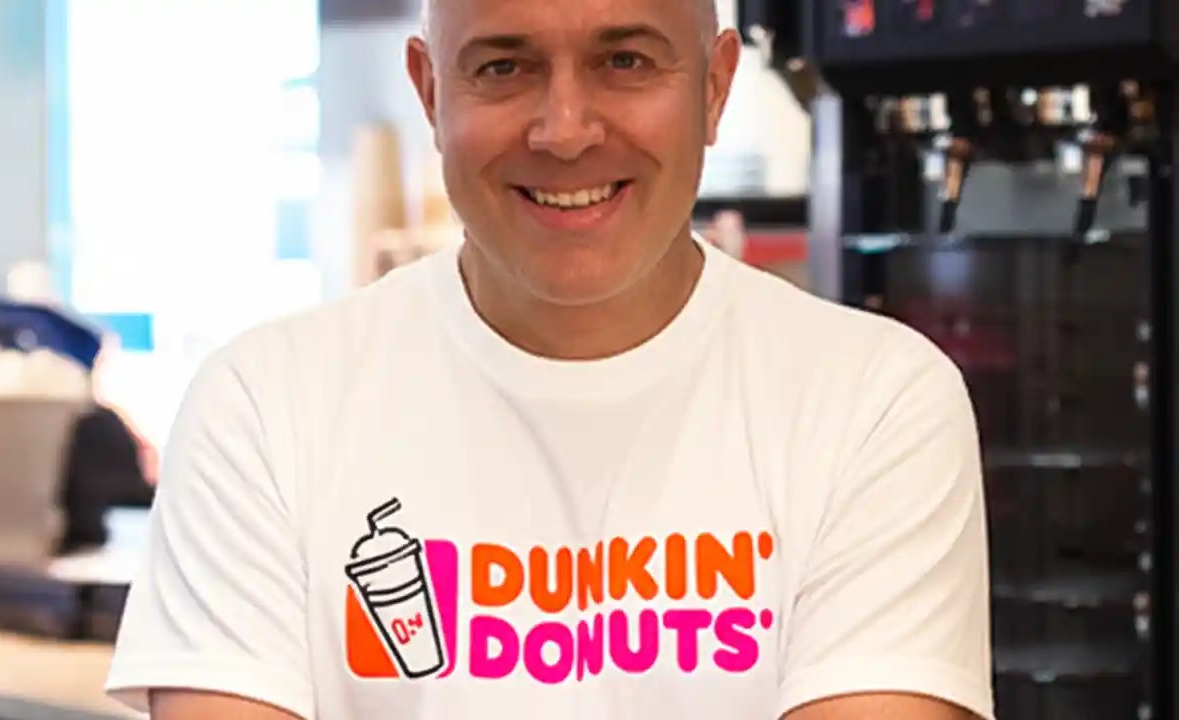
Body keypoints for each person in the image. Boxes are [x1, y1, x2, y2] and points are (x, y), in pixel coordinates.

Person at [105, 0, 994, 717]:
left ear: (716, 87)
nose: (565, 131)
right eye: (504, 66)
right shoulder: (262, 409)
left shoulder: (874, 403)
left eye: (626, 61)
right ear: (429, 92)